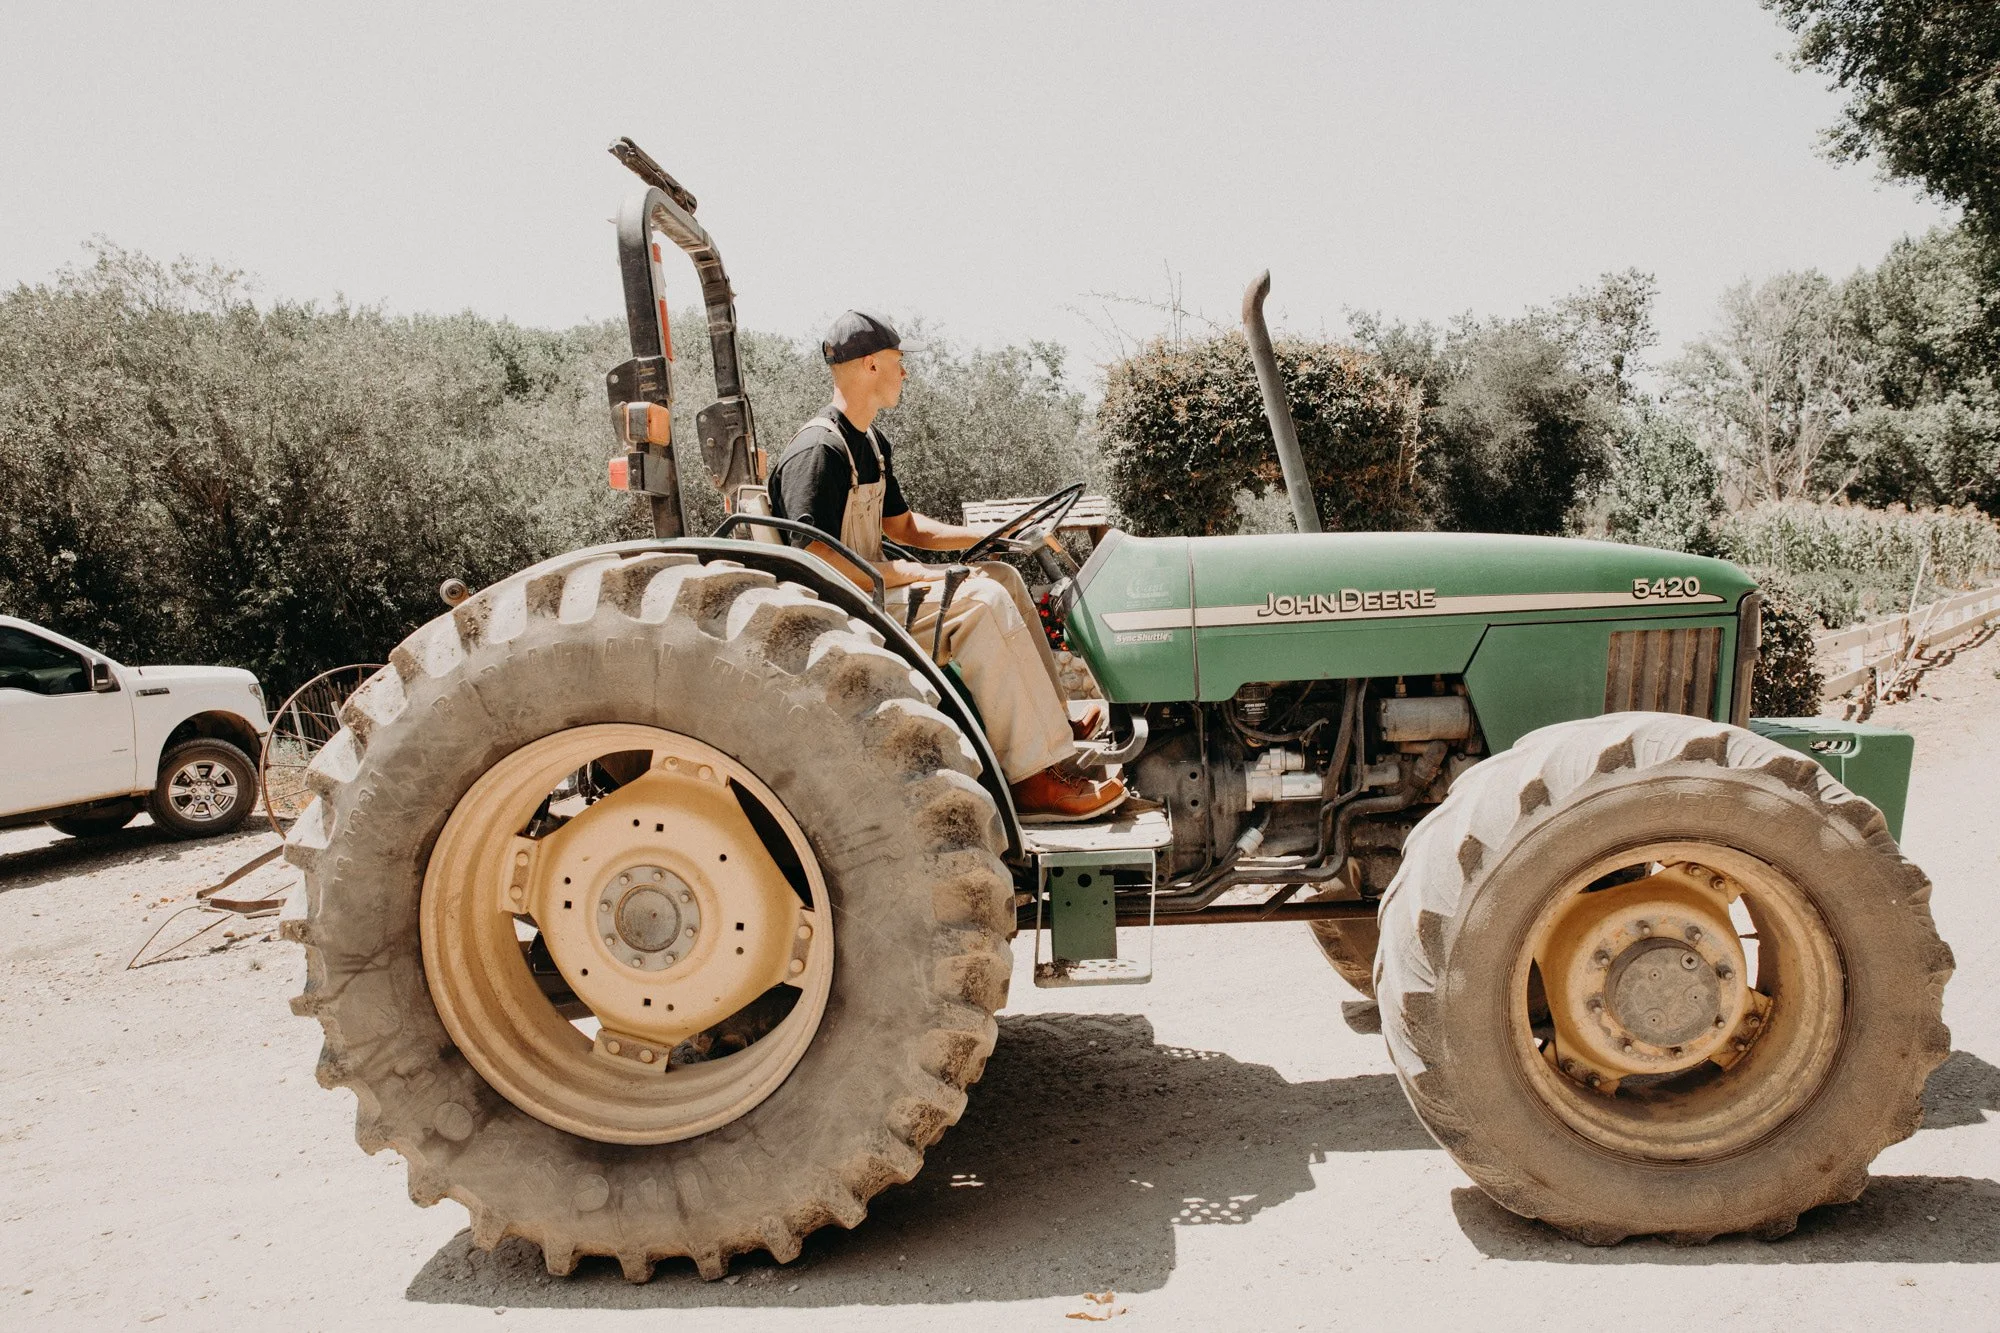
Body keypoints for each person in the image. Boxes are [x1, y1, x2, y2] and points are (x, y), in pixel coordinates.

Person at [767, 310, 1125, 822]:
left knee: (1001, 576)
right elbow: (813, 556)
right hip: (849, 606)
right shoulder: (819, 450)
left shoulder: (869, 442)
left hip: (876, 590)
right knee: (981, 603)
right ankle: (1033, 778)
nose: (905, 372)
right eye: (898, 360)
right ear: (870, 365)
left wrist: (992, 535)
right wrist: (904, 574)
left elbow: (905, 528)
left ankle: (1055, 731)